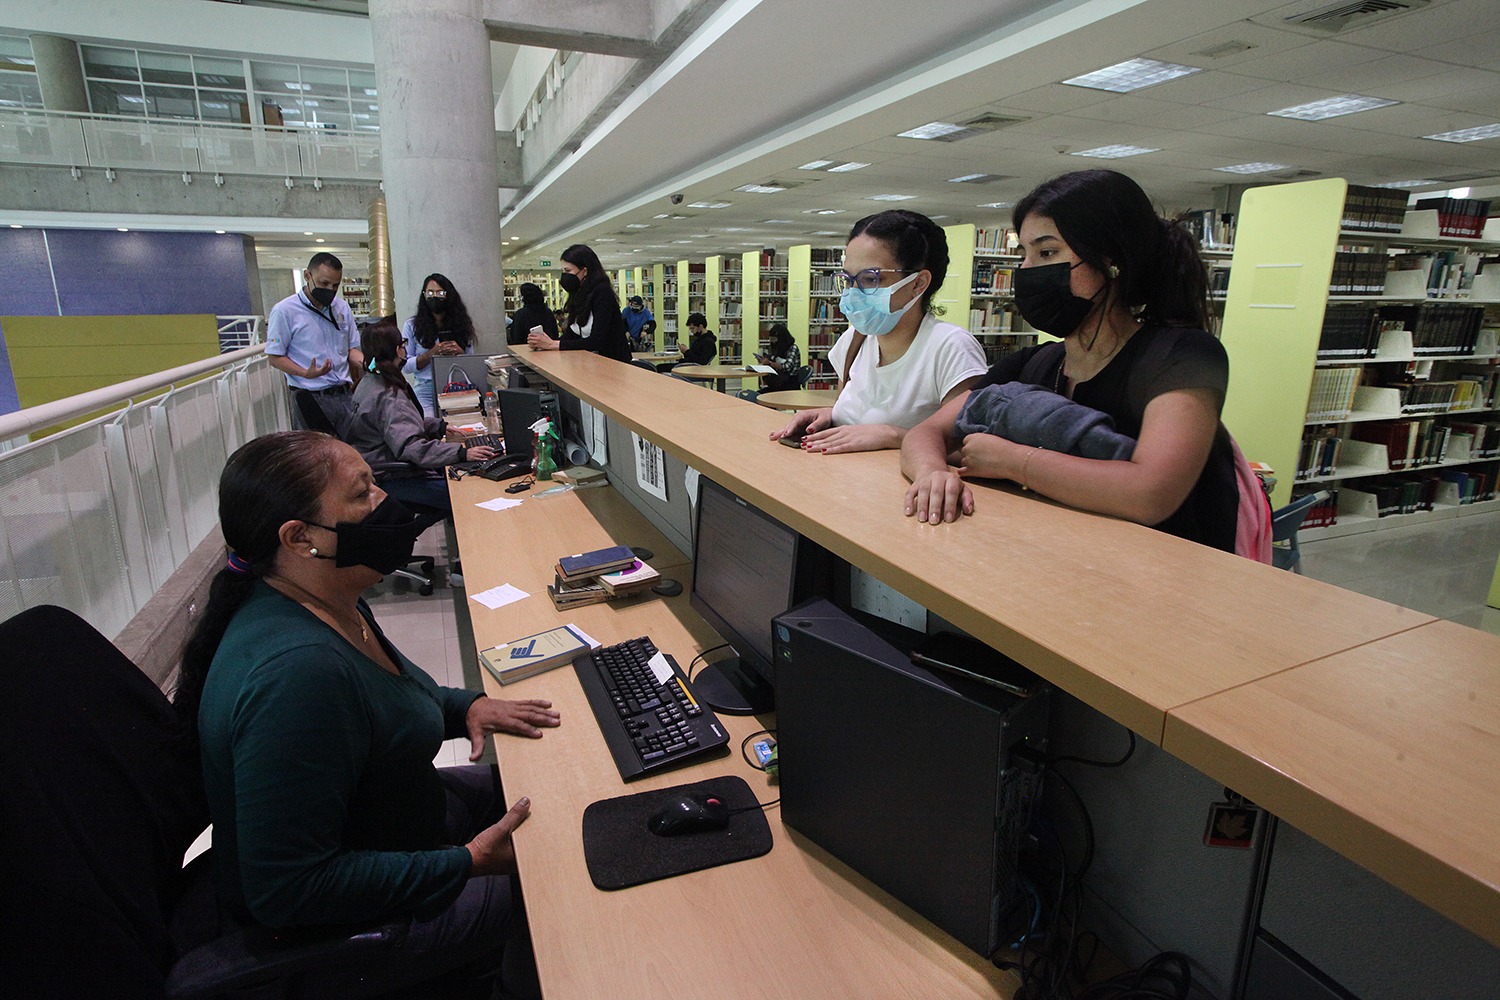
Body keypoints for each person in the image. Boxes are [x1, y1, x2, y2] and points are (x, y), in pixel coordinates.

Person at [174, 431, 559, 997]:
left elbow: (394, 694)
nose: (384, 501)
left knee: (554, 791)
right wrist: (468, 862)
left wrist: (470, 704)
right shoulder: (298, 674)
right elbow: (289, 889)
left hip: (401, 825)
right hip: (359, 921)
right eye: (362, 493)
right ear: (300, 538)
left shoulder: (329, 599)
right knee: (554, 882)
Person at [901, 168, 1240, 553]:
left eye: (1047, 252)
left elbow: (1150, 494)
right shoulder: (1034, 362)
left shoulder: (1184, 356)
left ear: (1112, 260)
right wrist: (932, 473)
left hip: (1165, 579)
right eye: (1023, 255)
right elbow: (924, 434)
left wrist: (1014, 461)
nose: (1026, 271)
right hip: (1067, 562)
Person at [768, 210, 987, 454]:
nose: (853, 292)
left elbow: (971, 450)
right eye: (848, 280)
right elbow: (861, 416)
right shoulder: (854, 340)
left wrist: (892, 435)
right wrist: (832, 416)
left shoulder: (951, 348)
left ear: (918, 284)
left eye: (870, 279)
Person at [346, 319, 497, 518]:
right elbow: (411, 447)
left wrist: (439, 426)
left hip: (377, 470)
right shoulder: (389, 394)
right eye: (403, 345)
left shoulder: (368, 382)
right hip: (394, 477)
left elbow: (393, 424)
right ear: (398, 350)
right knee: (467, 493)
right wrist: (462, 453)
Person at [265, 251, 363, 435]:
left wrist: (369, 364)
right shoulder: (285, 311)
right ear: (307, 276)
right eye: (324, 283)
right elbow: (275, 357)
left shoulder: (341, 308)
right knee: (317, 457)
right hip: (310, 397)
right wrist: (305, 373)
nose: (330, 290)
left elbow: (351, 349)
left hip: (344, 396)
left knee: (351, 451)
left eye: (335, 285)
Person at [526, 245, 631, 362]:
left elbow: (596, 341)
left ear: (584, 271)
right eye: (563, 271)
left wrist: (554, 345)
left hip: (613, 363)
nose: (564, 276)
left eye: (568, 271)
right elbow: (573, 333)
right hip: (591, 363)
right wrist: (545, 342)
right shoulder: (578, 294)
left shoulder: (603, 293)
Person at [401, 273, 477, 419]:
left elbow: (472, 363)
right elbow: (406, 365)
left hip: (456, 386)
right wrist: (432, 354)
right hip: (425, 388)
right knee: (428, 425)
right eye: (430, 293)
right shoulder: (412, 325)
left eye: (440, 293)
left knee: (461, 424)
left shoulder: (461, 324)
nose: (434, 297)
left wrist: (460, 353)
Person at [508, 282, 558, 347]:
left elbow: (516, 338)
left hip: (525, 351)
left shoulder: (521, 314)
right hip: (548, 349)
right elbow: (555, 334)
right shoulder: (548, 312)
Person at [756, 323, 802, 392]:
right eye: (771, 339)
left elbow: (787, 366)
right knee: (758, 394)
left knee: (761, 395)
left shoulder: (793, 348)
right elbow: (773, 358)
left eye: (774, 339)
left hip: (790, 384)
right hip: (779, 382)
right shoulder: (778, 347)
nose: (773, 342)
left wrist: (770, 363)